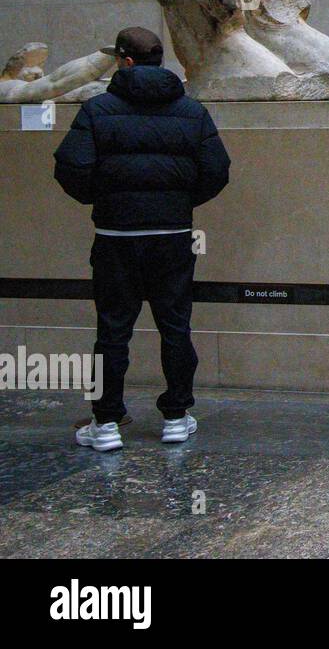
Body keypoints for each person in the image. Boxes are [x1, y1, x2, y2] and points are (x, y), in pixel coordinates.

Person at [54, 27, 230, 452]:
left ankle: (107, 423)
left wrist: (104, 201)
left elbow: (70, 168)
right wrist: (181, 204)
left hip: (115, 236)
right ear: (158, 59)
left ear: (124, 60)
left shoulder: (97, 110)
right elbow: (217, 169)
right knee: (175, 327)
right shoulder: (192, 112)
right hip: (172, 235)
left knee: (112, 331)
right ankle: (175, 416)